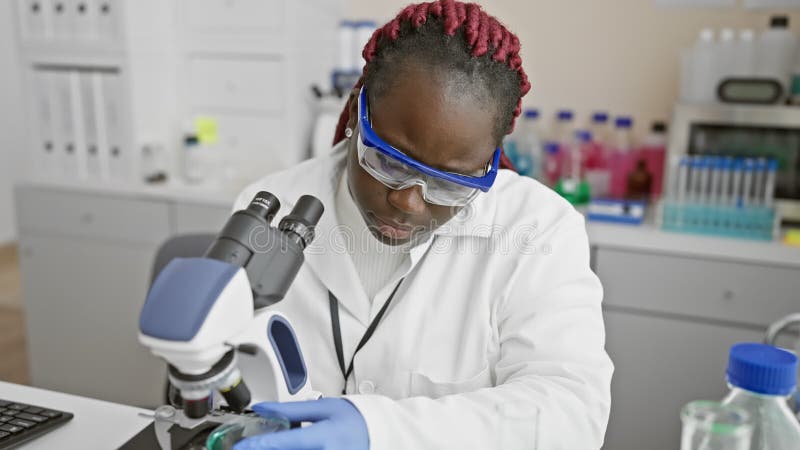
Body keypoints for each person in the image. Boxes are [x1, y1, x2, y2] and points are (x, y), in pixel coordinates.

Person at [231, 1, 612, 449]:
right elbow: (229, 376)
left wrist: (379, 431)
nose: (409, 203)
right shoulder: (269, 209)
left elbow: (571, 411)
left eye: (450, 183)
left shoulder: (537, 229)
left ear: (486, 162)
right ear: (357, 114)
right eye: (388, 162)